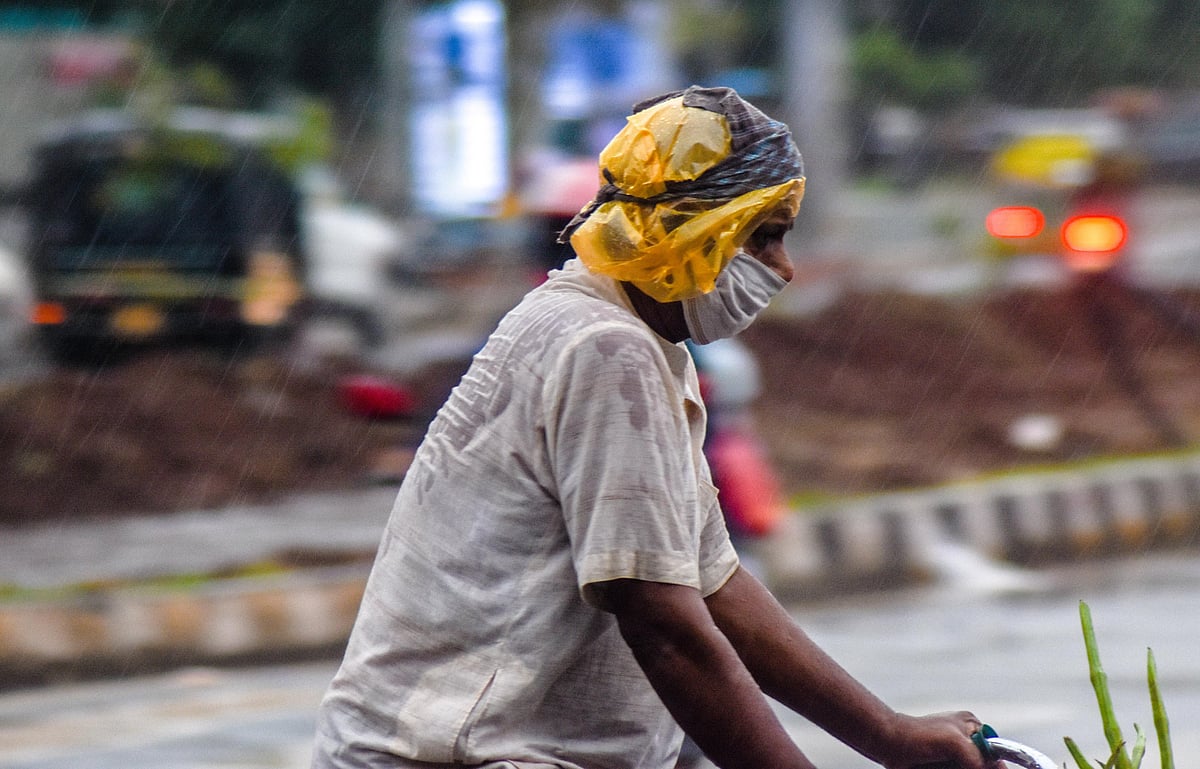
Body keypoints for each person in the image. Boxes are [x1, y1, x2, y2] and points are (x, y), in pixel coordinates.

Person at [311, 86, 991, 769]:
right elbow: (663, 623)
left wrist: (889, 734)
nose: (783, 267)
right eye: (766, 235)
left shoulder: (627, 338)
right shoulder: (605, 348)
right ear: (700, 226)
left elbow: (711, 583)